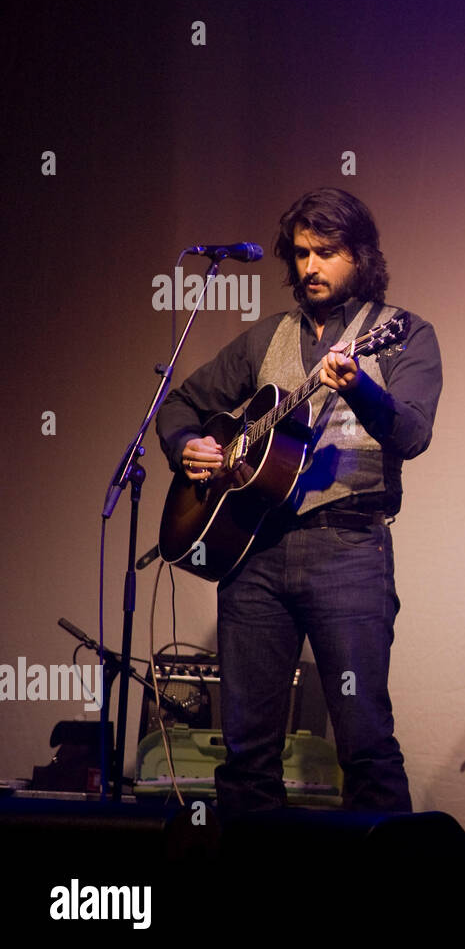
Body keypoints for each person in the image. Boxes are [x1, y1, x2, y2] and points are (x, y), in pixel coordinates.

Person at [156, 188, 442, 816]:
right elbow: (177, 403)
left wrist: (363, 390)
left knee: (364, 741)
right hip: (252, 556)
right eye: (302, 253)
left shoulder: (404, 334)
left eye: (327, 252)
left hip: (348, 551)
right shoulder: (266, 339)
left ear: (360, 256)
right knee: (247, 754)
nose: (311, 267)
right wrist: (188, 446)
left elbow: (413, 435)